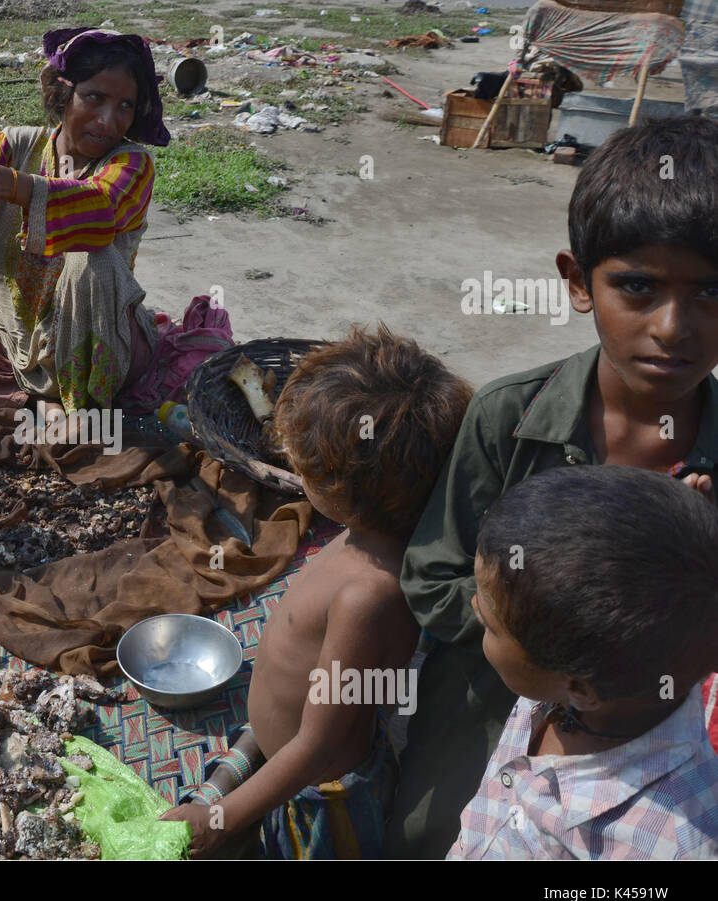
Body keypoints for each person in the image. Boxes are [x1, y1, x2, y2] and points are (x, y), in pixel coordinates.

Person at [390, 114, 718, 858]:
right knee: (428, 833)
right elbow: (434, 573)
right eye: (637, 286)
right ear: (577, 282)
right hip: (488, 702)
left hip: (650, 741)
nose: (674, 325)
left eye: (710, 290)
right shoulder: (512, 415)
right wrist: (538, 636)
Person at [161, 326, 473, 858]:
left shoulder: (367, 597)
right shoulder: (369, 530)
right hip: (286, 749)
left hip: (319, 799)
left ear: (336, 487)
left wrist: (221, 818)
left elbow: (319, 743)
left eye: (301, 463)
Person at [0, 26, 233, 415]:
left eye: (126, 105)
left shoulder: (131, 164)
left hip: (103, 351)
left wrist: (3, 184)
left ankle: (82, 410)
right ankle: (31, 402)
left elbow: (102, 209)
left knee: (92, 257)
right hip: (16, 341)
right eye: (94, 97)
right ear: (63, 93)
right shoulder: (16, 147)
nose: (109, 121)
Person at [452, 465, 718, 859]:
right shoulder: (578, 673)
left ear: (579, 688)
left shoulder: (671, 844)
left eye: (491, 625)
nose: (475, 607)